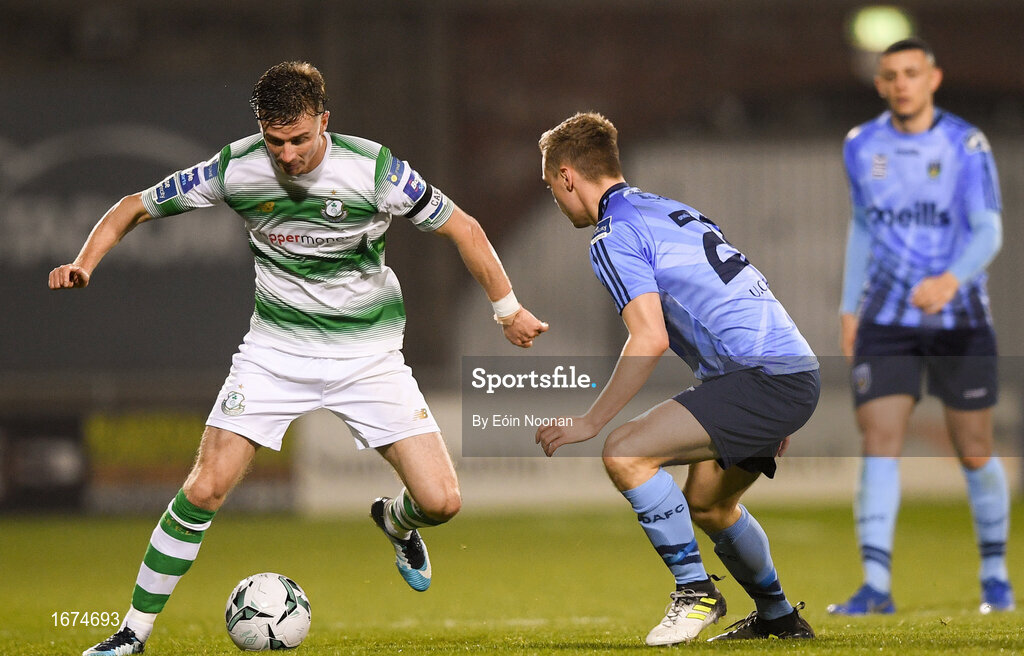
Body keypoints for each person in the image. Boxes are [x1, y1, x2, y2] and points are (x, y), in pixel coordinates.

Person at [51, 61, 548, 656]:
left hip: (369, 358)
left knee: (442, 503)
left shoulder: (375, 170)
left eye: (299, 140)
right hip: (274, 355)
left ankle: (396, 520)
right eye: (274, 141)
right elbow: (134, 205)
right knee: (205, 488)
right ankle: (131, 633)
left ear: (324, 124)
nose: (286, 156)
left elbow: (464, 228)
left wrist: (508, 309)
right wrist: (86, 261)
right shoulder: (236, 169)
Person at [535, 112, 819, 645]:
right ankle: (780, 618)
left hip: (762, 377)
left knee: (624, 452)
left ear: (568, 176)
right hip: (787, 369)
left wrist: (590, 422)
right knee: (711, 504)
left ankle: (695, 593)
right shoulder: (671, 210)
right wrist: (765, 404)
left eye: (552, 186)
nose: (555, 198)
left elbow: (649, 339)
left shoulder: (614, 234)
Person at [830, 38, 1013, 616]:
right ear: (881, 84)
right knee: (880, 441)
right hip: (886, 319)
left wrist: (952, 280)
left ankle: (995, 577)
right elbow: (862, 224)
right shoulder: (862, 145)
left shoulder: (966, 144)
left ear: (933, 78)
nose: (902, 83)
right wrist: (849, 306)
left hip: (959, 318)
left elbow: (989, 231)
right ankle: (876, 586)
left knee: (976, 449)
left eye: (913, 72)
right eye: (892, 75)